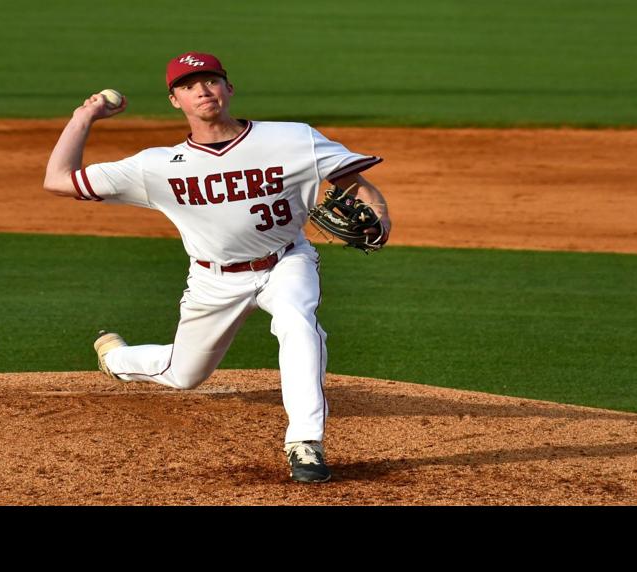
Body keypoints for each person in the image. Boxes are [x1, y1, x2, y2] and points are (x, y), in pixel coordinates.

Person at [42, 52, 391, 485]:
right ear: (175, 100)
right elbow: (58, 179)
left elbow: (357, 184)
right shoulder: (155, 167)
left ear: (229, 88)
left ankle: (305, 442)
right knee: (184, 374)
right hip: (213, 278)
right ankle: (118, 358)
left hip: (286, 260)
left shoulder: (294, 139)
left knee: (299, 323)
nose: (202, 90)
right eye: (189, 85)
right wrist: (85, 115)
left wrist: (381, 215)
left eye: (211, 81)